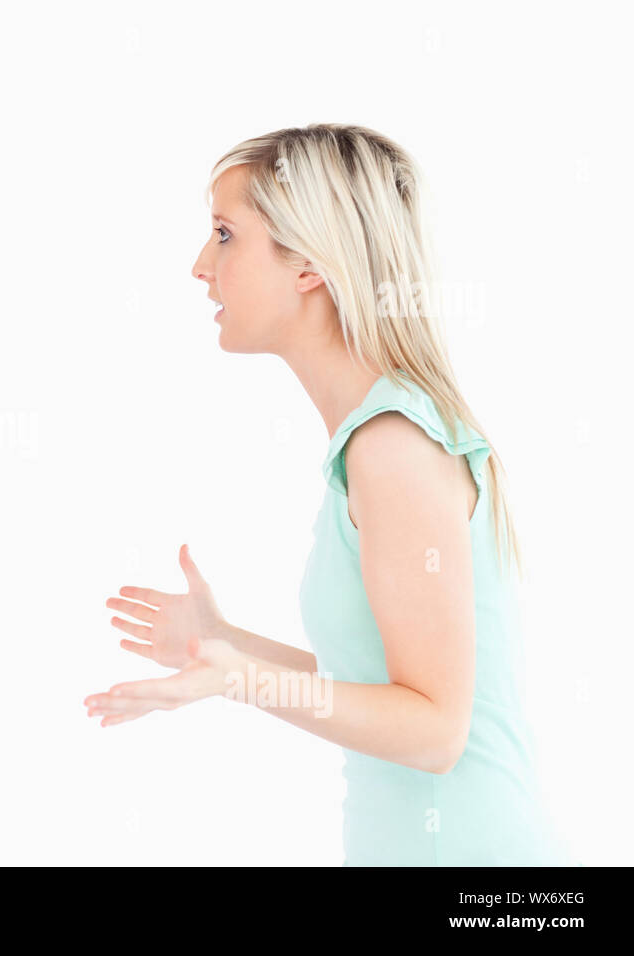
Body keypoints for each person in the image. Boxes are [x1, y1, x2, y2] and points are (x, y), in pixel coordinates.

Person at [83, 124, 574, 866]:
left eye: (224, 235)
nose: (199, 265)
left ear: (310, 263)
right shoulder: (373, 443)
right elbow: (376, 690)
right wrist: (225, 643)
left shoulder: (394, 449)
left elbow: (436, 734)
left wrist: (241, 680)